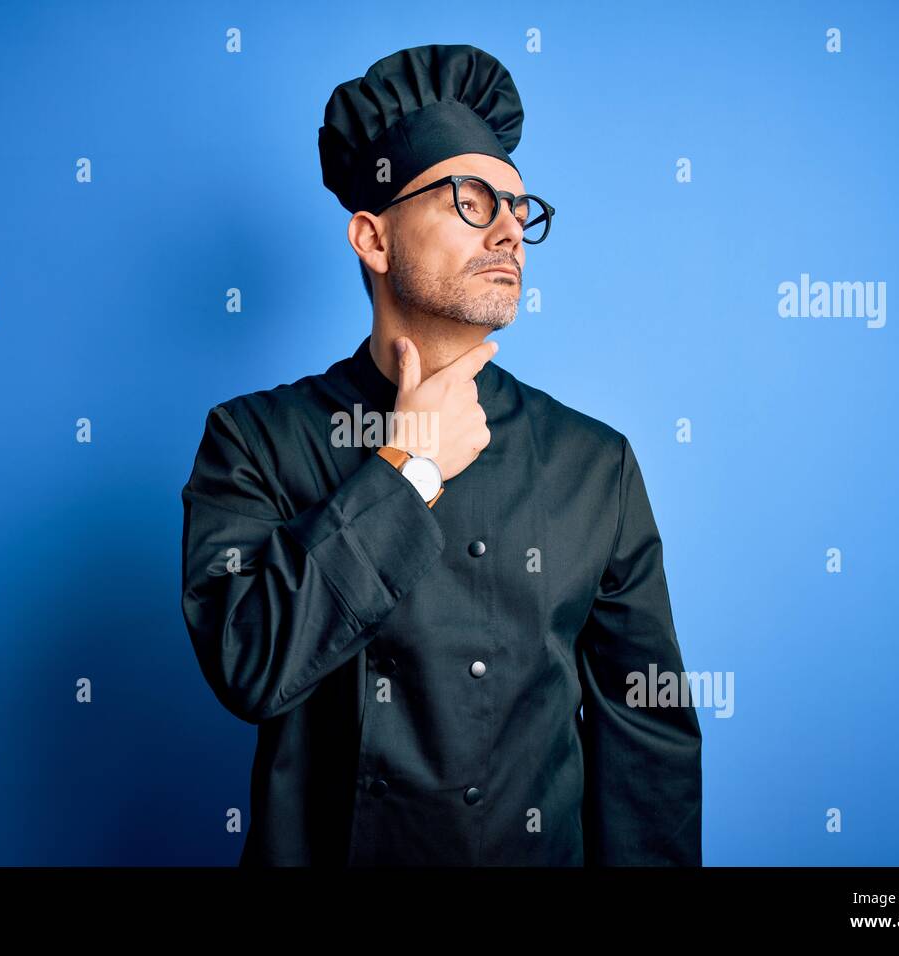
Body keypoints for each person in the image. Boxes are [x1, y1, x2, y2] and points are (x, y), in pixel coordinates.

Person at [180, 43, 702, 866]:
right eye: (471, 200)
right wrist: (406, 469)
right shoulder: (255, 439)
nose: (509, 231)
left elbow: (647, 742)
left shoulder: (594, 463)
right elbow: (251, 665)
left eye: (520, 210)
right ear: (374, 240)